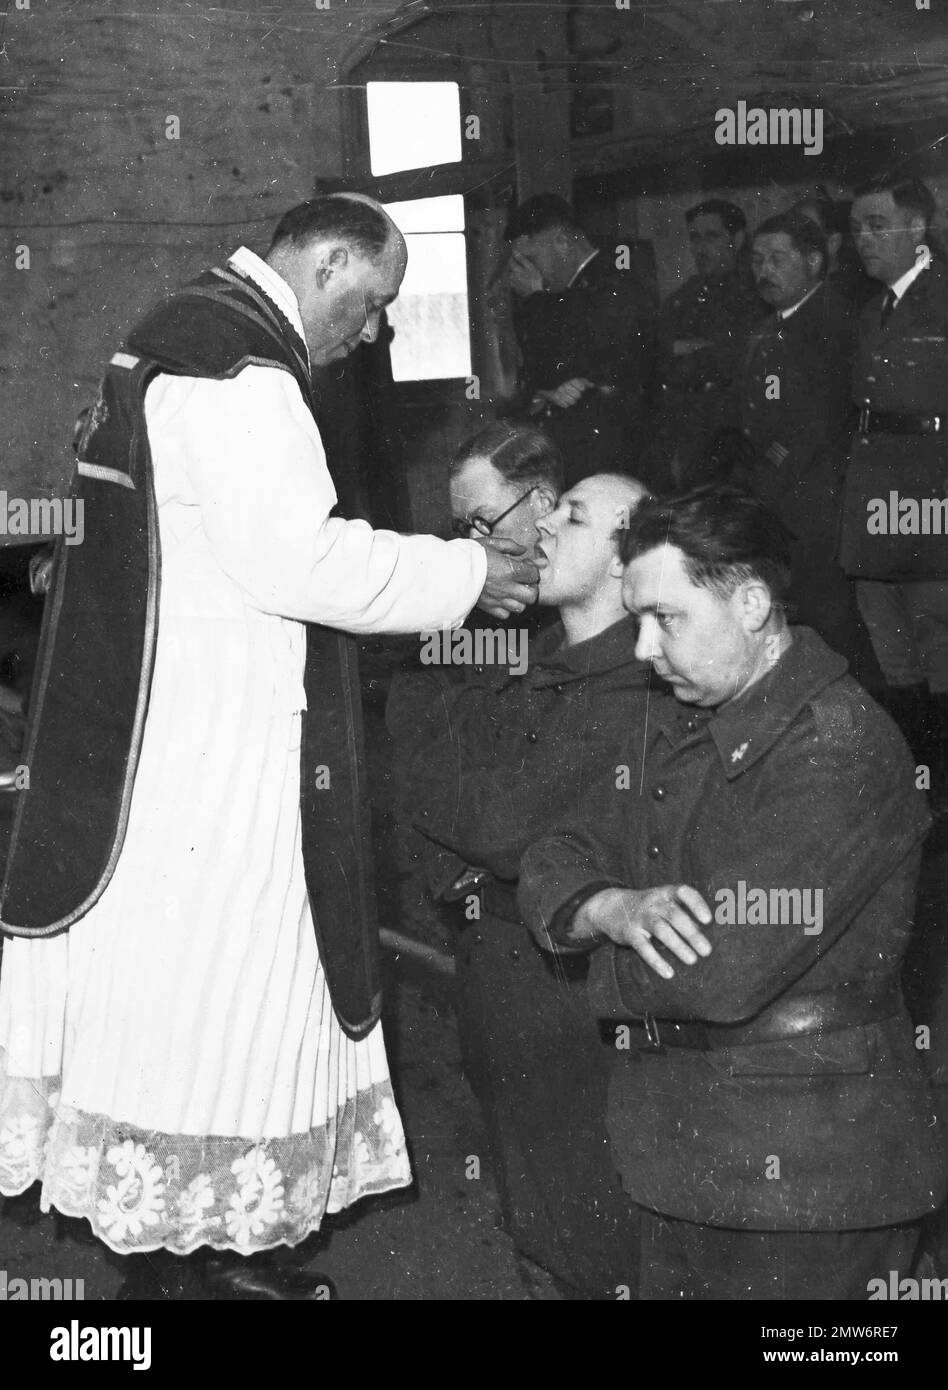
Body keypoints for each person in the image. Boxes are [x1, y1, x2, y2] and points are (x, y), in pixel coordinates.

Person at [0, 194, 538, 1300]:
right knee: (225, 996)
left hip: (157, 721)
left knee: (172, 1006)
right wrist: (472, 573)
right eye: (377, 300)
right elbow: (303, 562)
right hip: (221, 746)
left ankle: (188, 1253)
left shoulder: (171, 330)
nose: (378, 330)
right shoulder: (243, 371)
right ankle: (191, 1270)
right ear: (331, 259)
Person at [519, 486, 947, 1301]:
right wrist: (612, 908)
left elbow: (717, 968)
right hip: (681, 1154)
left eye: (666, 618)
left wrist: (583, 972)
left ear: (751, 603)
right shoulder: (673, 714)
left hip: (810, 1181)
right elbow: (557, 843)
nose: (642, 648)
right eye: (636, 617)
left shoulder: (841, 750)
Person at [400, 471, 651, 1298]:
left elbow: (492, 814)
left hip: (563, 996)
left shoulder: (631, 691)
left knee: (583, 1227)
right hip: (501, 970)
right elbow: (463, 814)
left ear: (627, 561)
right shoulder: (541, 660)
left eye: (573, 517)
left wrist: (441, 800)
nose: (543, 528)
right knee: (532, 1208)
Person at [738, 209, 881, 690]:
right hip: (784, 501)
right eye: (757, 259)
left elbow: (813, 423)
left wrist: (760, 488)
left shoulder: (832, 320)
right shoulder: (770, 326)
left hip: (820, 502)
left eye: (779, 258)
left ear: (815, 262)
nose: (765, 271)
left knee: (833, 630)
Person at [842, 175, 948, 798]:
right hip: (872, 495)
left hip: (930, 497)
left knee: (938, 640)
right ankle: (922, 793)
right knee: (889, 642)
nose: (863, 239)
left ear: (918, 227)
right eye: (856, 227)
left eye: (877, 225)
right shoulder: (871, 308)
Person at [502, 194, 654, 486]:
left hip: (612, 452)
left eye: (530, 259)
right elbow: (541, 375)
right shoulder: (561, 295)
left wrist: (536, 299)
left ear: (561, 241)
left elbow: (582, 359)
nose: (524, 272)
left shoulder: (613, 281)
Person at [648, 199, 761, 489]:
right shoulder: (686, 294)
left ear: (736, 239)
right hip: (682, 428)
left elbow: (730, 358)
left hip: (728, 433)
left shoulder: (755, 294)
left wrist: (686, 351)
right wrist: (687, 349)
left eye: (711, 237)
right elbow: (654, 351)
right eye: (694, 238)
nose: (700, 248)